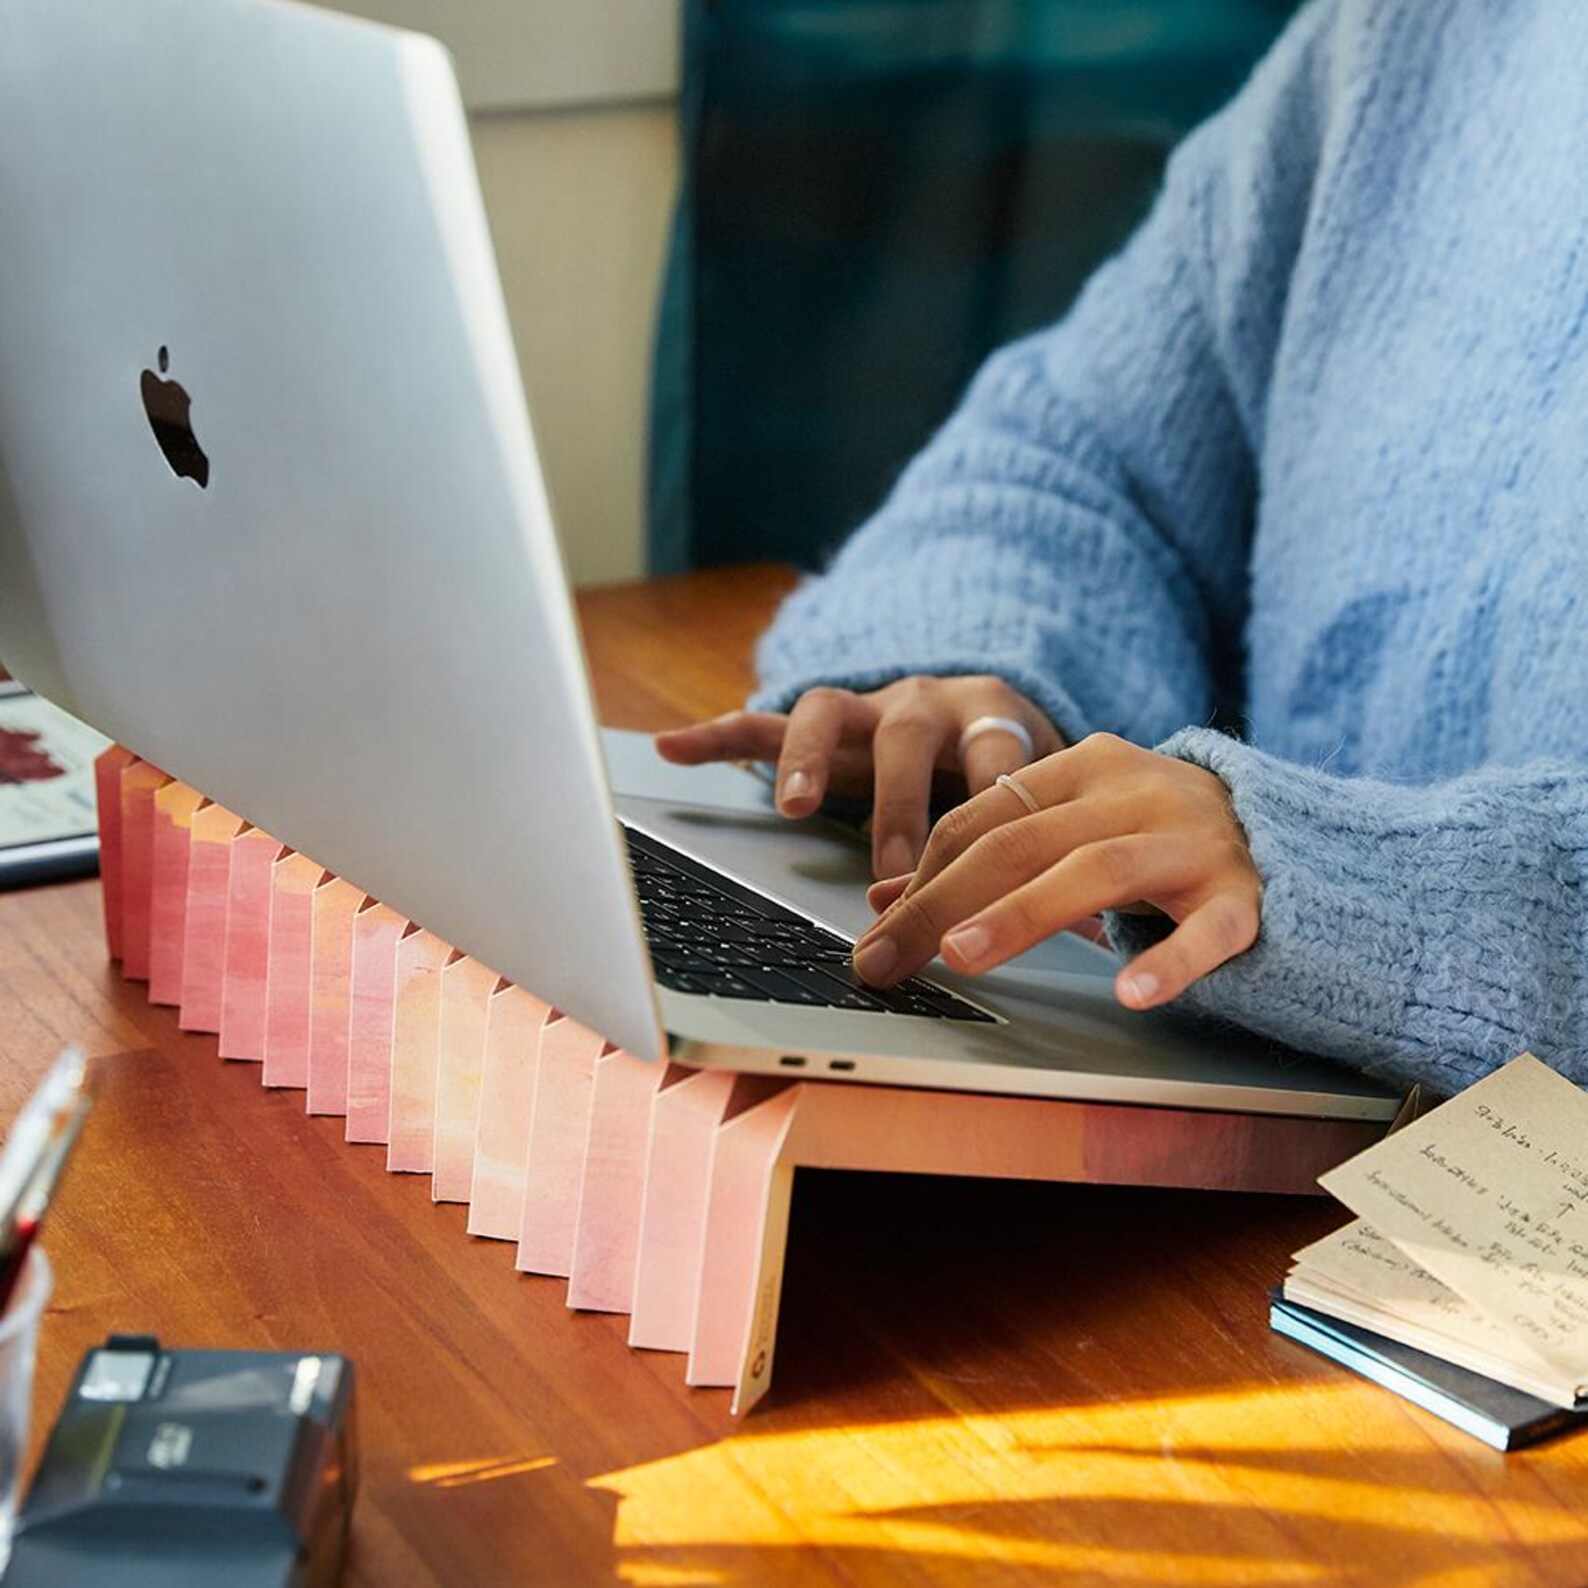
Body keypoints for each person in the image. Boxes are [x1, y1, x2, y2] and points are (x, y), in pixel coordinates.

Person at [656, 0, 1588, 1097]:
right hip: (1257, 1090)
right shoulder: (1420, 29)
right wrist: (982, 682)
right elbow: (1084, 449)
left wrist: (1337, 884)